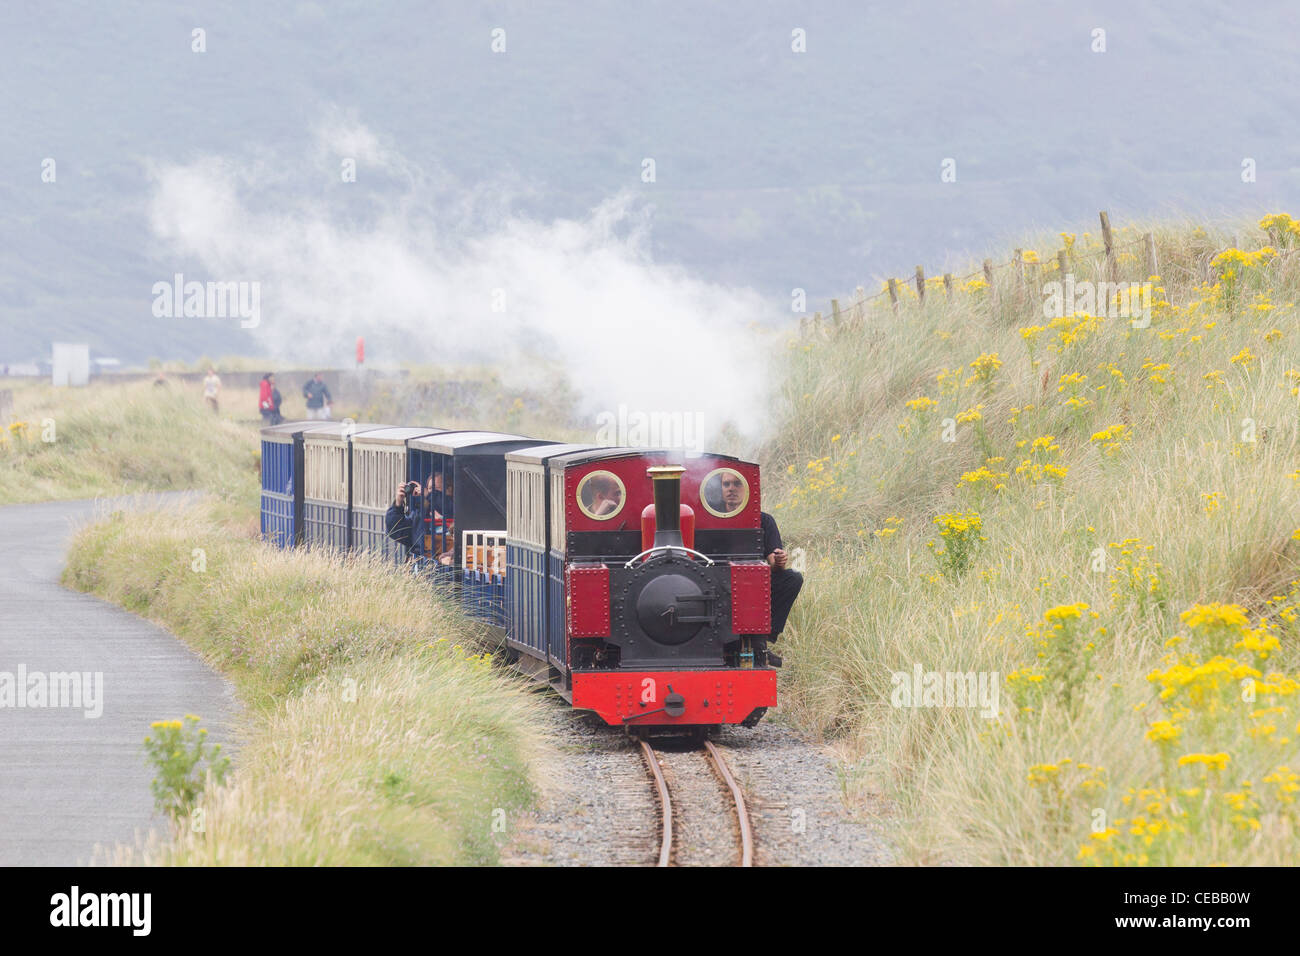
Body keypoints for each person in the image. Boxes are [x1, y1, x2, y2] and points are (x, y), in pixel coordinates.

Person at [756, 510, 803, 668]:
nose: (731, 489)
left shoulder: (764, 520)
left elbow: (773, 560)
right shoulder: (703, 516)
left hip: (751, 583)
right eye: (726, 484)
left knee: (792, 578)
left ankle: (761, 640)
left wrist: (778, 561)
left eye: (737, 483)